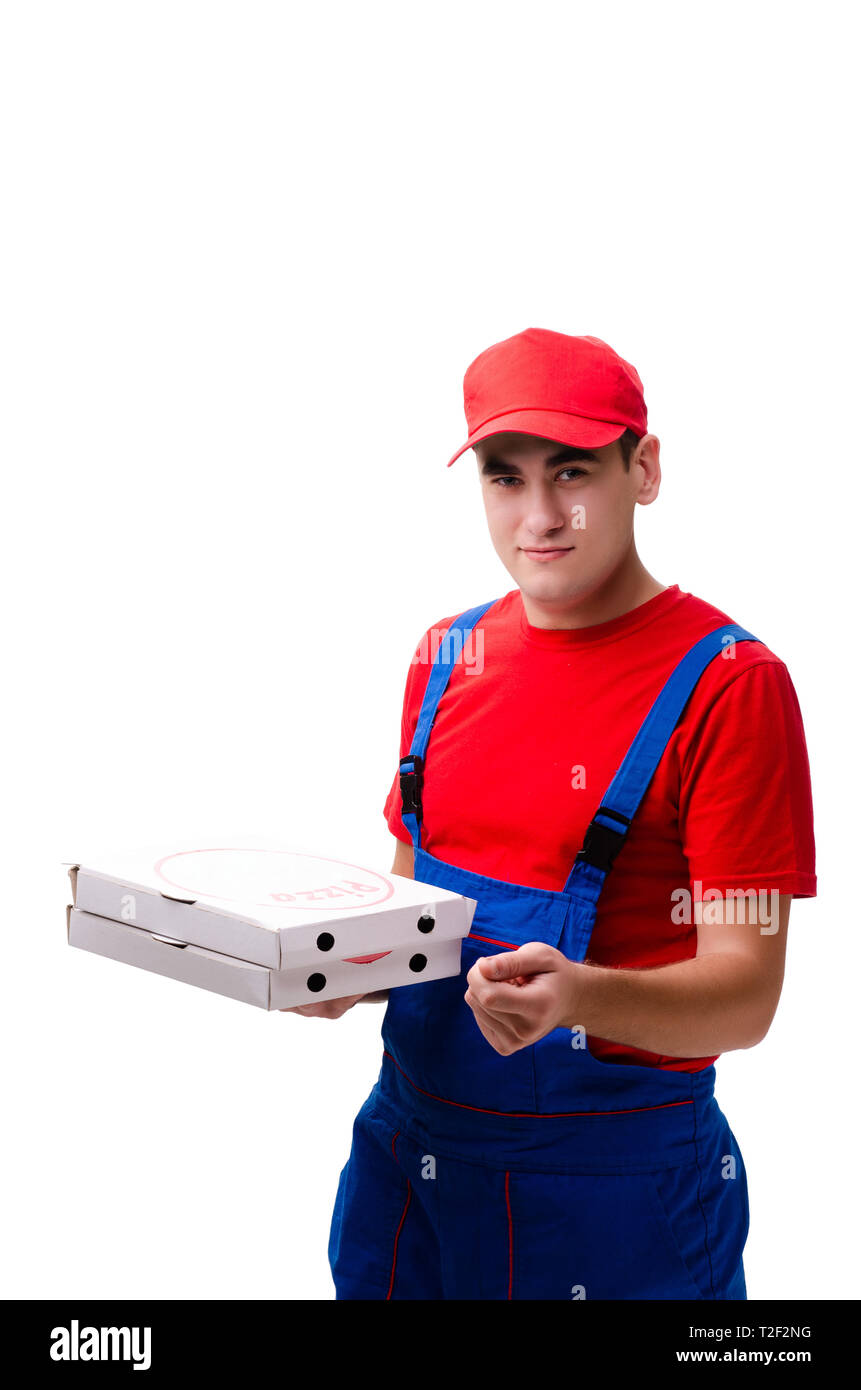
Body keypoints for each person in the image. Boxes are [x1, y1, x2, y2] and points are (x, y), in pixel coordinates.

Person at [290, 327, 817, 1300]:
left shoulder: (731, 687)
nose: (539, 514)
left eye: (572, 470)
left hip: (614, 1203)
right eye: (505, 477)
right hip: (409, 1167)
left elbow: (747, 994)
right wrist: (336, 965)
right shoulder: (446, 658)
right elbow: (416, 914)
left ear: (643, 468)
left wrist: (577, 996)